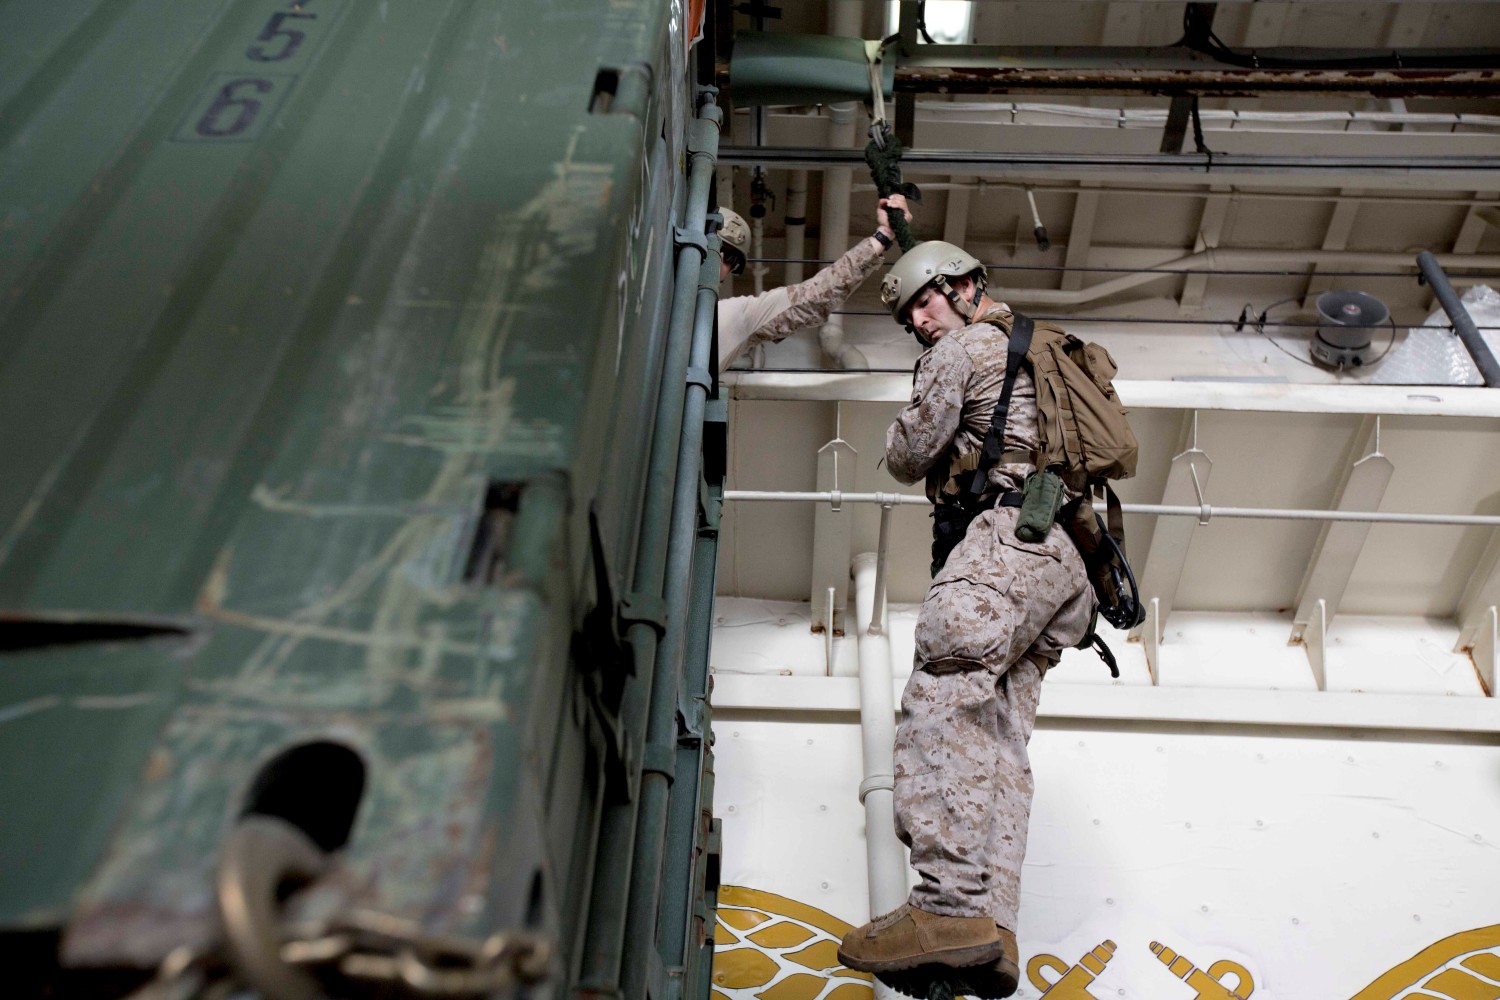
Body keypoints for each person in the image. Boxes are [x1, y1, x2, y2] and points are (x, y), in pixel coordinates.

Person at [836, 242, 1097, 997]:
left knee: (944, 698)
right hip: (1063, 564)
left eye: (924, 300)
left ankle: (948, 911)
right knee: (1000, 741)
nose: (918, 321)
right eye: (909, 312)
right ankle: (994, 930)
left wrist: (906, 417)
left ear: (966, 287)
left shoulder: (965, 348)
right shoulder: (1041, 357)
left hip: (1004, 541)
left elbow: (910, 454)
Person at [715, 194, 911, 371]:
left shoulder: (737, 317)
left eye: (730, 258)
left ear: (731, 271)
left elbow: (815, 297)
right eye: (713, 246)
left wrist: (884, 235)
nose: (718, 257)